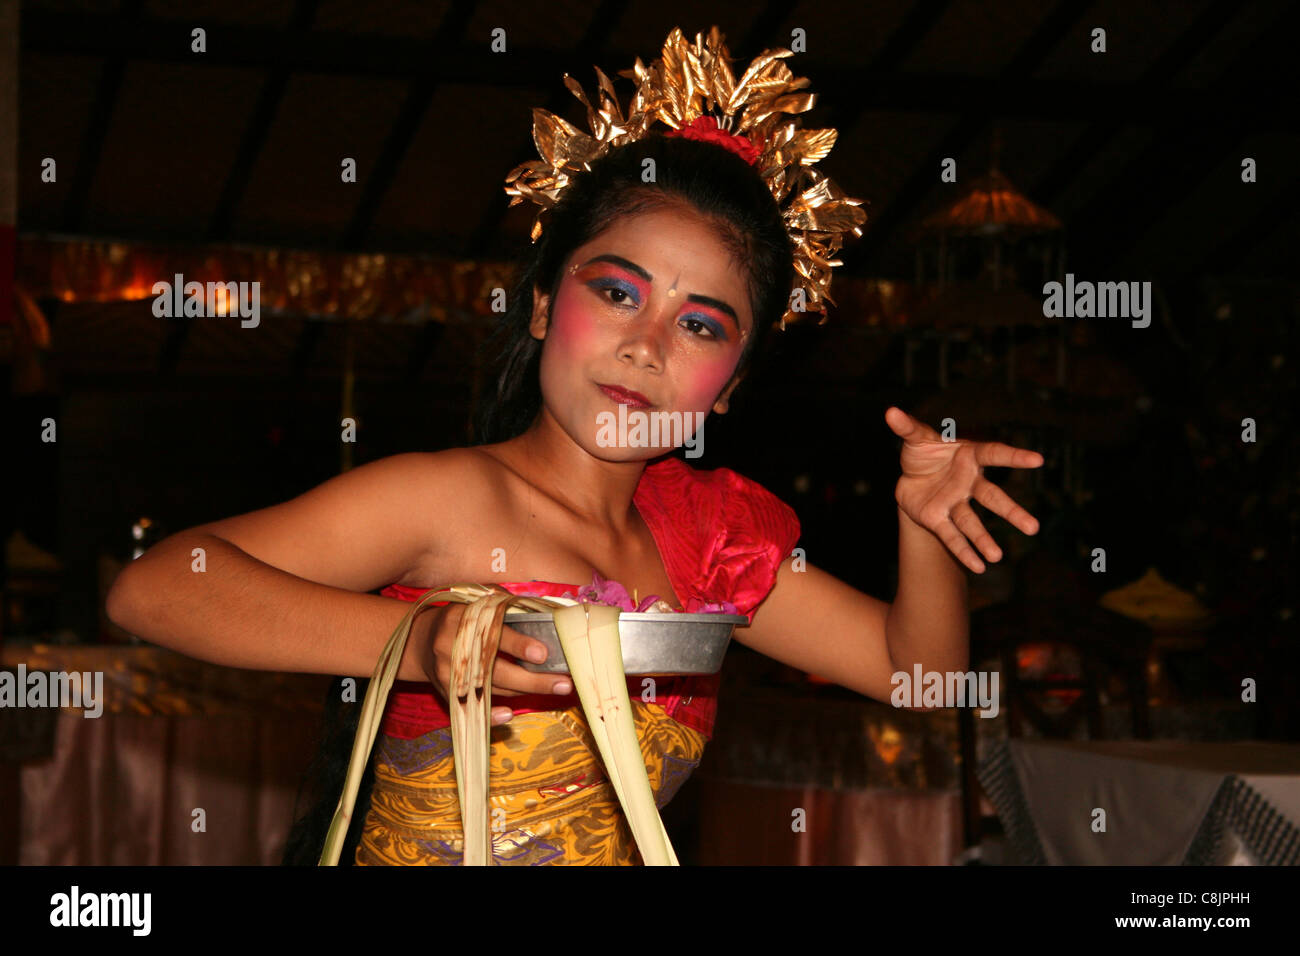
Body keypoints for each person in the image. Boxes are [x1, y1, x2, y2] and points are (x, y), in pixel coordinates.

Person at [105, 26, 1042, 866]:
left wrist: (922, 528)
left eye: (704, 326)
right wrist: (417, 641)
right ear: (548, 303)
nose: (648, 345)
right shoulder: (447, 500)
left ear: (733, 386)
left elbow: (922, 682)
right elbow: (156, 588)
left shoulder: (713, 538)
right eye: (619, 293)